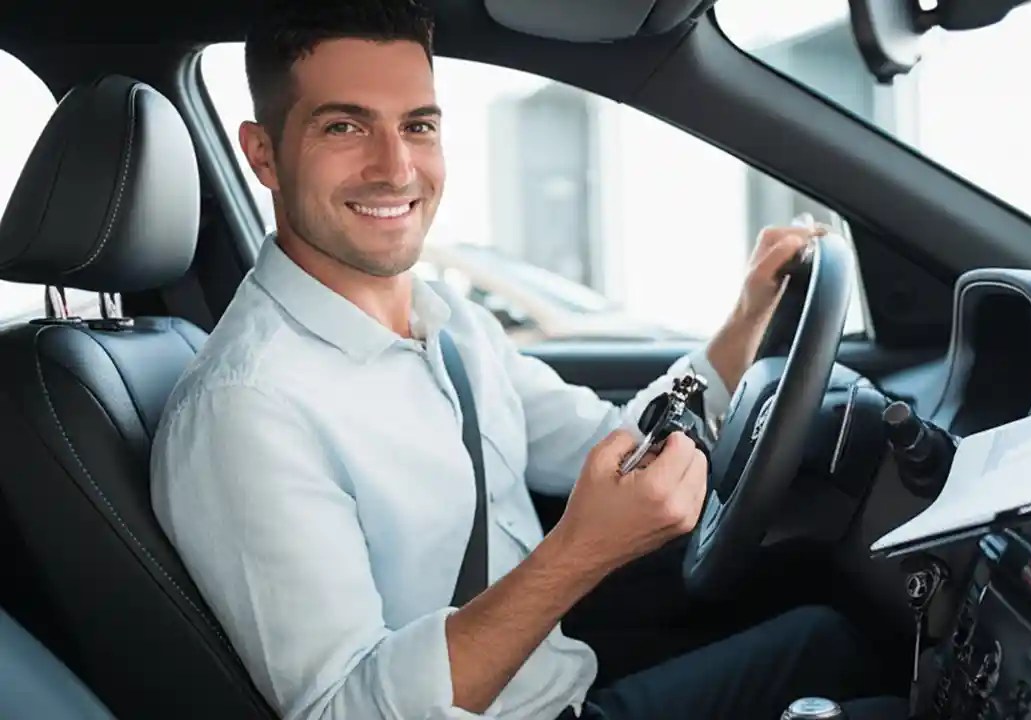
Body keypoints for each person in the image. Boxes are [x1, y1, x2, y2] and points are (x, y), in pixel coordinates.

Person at [151, 1, 904, 718]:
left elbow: (609, 441)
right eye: (344, 126)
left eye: (418, 126)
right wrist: (581, 551)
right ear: (264, 154)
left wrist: (744, 324)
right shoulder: (247, 408)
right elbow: (345, 708)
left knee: (832, 641)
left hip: (567, 687)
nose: (396, 168)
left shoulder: (450, 324)